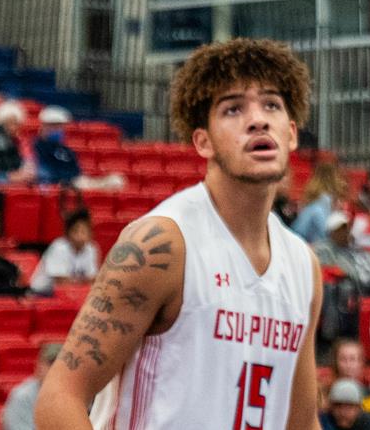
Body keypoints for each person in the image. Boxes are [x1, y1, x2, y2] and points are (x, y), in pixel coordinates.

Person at [34, 38, 323, 430]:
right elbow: (59, 398)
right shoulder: (161, 245)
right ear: (202, 141)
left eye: (271, 104)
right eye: (233, 109)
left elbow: (302, 423)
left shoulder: (304, 266)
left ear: (291, 134)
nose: (257, 120)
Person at [32, 209, 101, 295]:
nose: (80, 236)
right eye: (76, 231)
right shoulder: (59, 247)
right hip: (43, 293)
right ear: (68, 232)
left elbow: (92, 279)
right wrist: (82, 282)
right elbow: (60, 281)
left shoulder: (91, 249)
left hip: (73, 294)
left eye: (84, 231)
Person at [327, 338, 370, 421]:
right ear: (335, 362)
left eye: (353, 359)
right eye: (343, 359)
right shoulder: (327, 389)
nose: (348, 365)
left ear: (361, 362)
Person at [3, 344, 61, 430]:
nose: (54, 369)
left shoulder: (75, 395)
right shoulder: (22, 397)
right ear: (38, 366)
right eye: (50, 364)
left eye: (60, 365)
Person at [293, 162, 351, 244]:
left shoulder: (321, 204)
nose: (343, 182)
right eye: (340, 178)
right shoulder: (319, 206)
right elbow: (298, 231)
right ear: (334, 179)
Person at [33, 106, 83, 186]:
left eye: (60, 126)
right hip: (51, 184)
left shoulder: (66, 150)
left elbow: (76, 171)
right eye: (53, 126)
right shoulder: (36, 147)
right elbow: (42, 171)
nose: (58, 129)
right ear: (43, 126)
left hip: (71, 183)